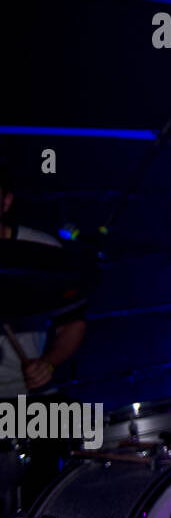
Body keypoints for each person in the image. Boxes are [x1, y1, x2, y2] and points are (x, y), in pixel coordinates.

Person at [0, 160, 88, 397]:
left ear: (6, 202)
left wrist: (47, 363)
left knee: (80, 428)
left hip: (28, 396)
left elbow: (72, 324)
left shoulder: (42, 251)